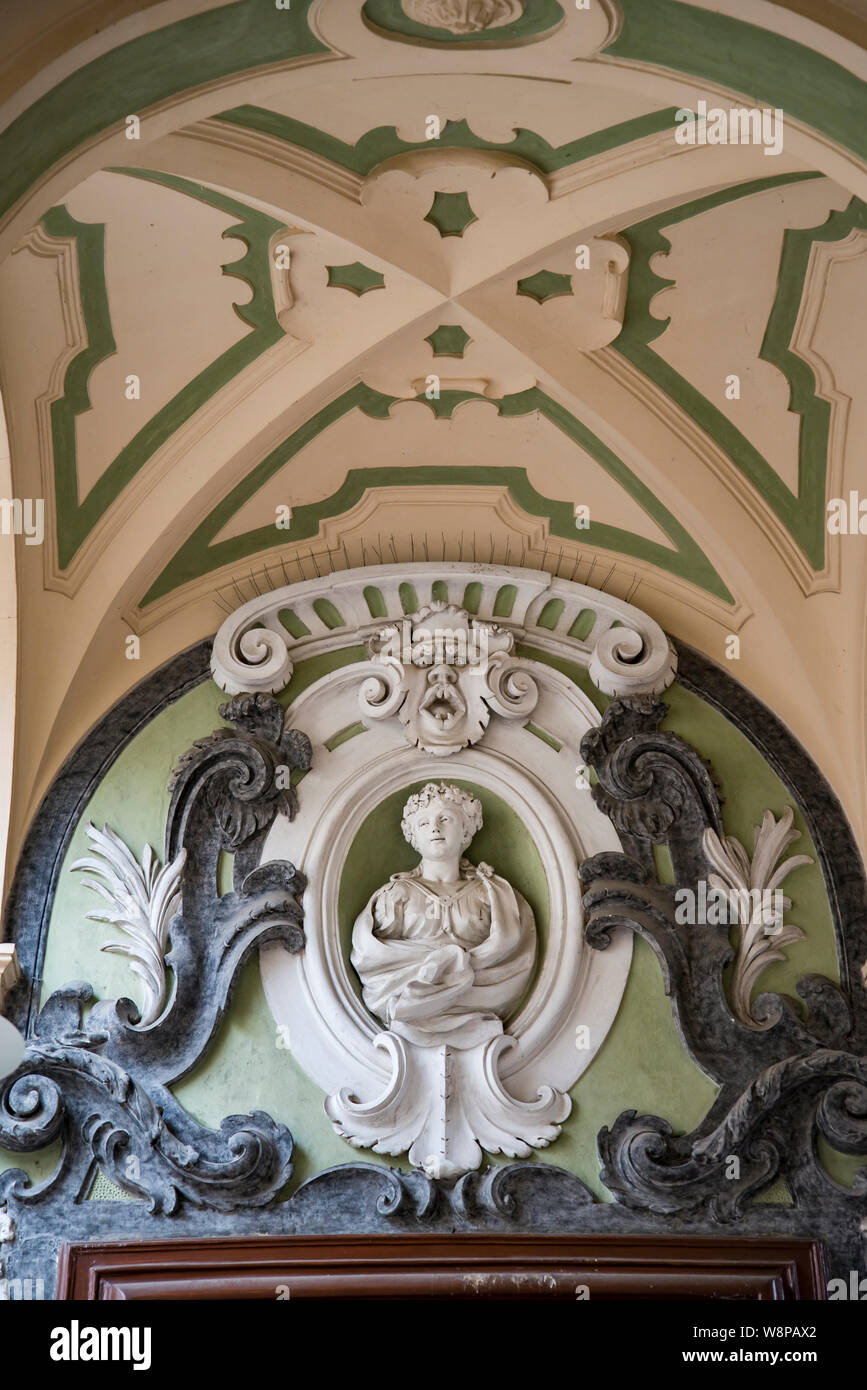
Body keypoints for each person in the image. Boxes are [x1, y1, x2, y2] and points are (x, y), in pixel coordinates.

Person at [351, 783, 536, 1048]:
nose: (435, 828)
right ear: (413, 834)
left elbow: (511, 949)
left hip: (481, 1005)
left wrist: (449, 962)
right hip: (405, 1010)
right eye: (424, 823)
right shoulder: (395, 895)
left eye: (445, 819)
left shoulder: (493, 894)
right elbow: (374, 958)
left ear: (465, 830)